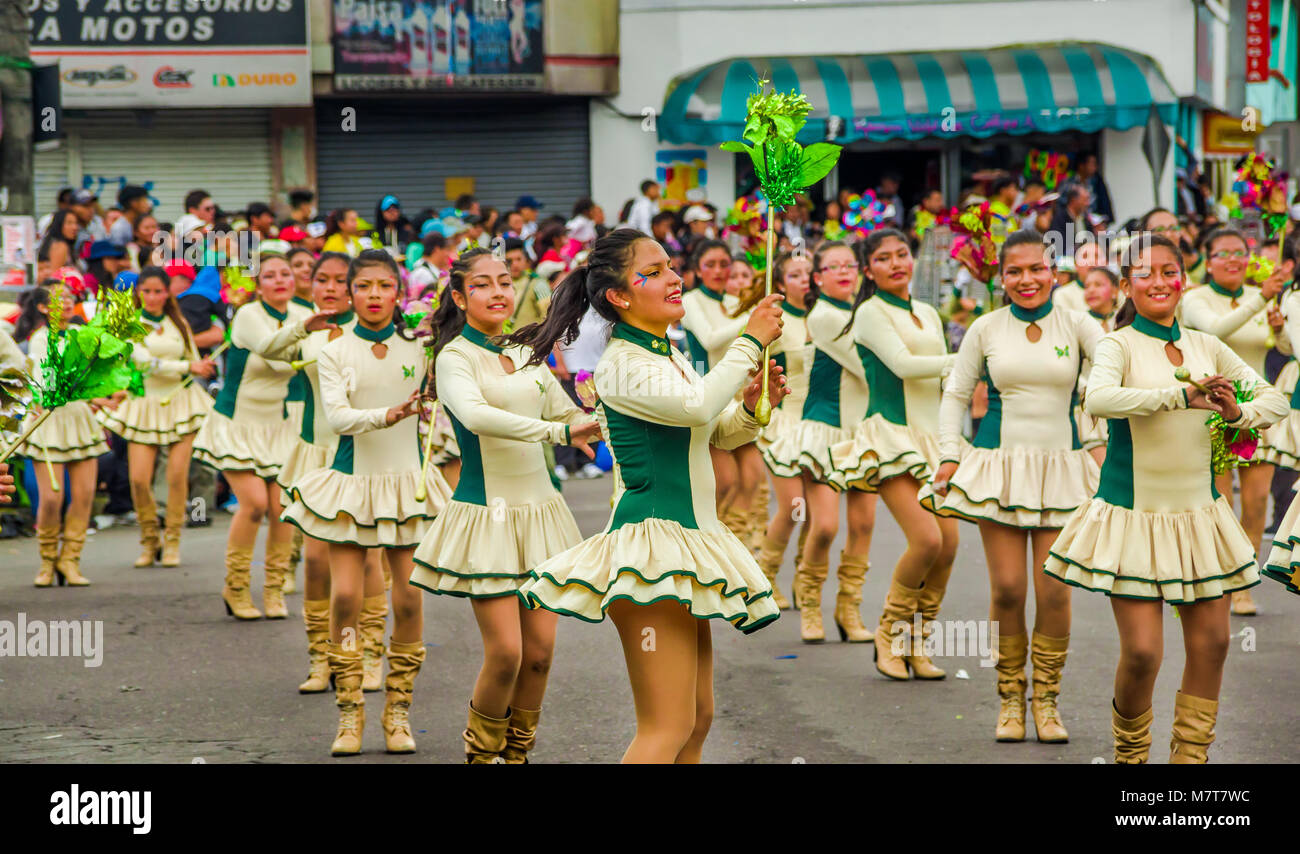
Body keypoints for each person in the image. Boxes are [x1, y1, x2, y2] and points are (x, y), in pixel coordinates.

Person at [514, 228, 786, 763]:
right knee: (666, 726)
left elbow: (710, 431)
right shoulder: (625, 364)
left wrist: (755, 404)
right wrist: (749, 341)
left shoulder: (667, 356)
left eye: (670, 266)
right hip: (650, 551)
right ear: (619, 295)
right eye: (655, 271)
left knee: (696, 719)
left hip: (685, 543)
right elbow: (695, 409)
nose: (674, 278)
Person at [1044, 234, 1286, 763]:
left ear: (1183, 280)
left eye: (1169, 271)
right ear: (1127, 286)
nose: (1159, 282)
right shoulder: (1118, 344)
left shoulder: (1208, 346)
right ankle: (1131, 757)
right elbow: (1099, 398)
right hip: (1133, 517)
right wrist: (1180, 396)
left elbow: (1276, 400)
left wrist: (1233, 411)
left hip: (1200, 517)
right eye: (1145, 274)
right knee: (1142, 652)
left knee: (1214, 644)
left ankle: (1187, 768)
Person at [409, 248, 598, 763]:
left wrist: (606, 406)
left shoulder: (527, 351)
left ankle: (517, 757)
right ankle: (481, 756)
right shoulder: (452, 358)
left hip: (542, 515)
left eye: (505, 282)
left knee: (538, 656)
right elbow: (476, 416)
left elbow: (571, 411)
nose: (497, 292)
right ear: (459, 296)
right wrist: (560, 431)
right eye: (483, 284)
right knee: (507, 653)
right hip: (487, 517)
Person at [929, 231, 1102, 743]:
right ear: (1001, 277)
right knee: (1007, 589)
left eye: (1036, 269)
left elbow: (1113, 379)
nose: (1027, 280)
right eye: (1015, 271)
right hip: (998, 469)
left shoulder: (1078, 324)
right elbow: (955, 393)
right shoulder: (986, 328)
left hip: (1062, 471)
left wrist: (1101, 441)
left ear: (1054, 272)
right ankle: (1010, 699)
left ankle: (1046, 700)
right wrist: (947, 455)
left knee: (1053, 591)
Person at [282, 249, 450, 756]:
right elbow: (337, 418)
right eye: (364, 287)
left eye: (384, 286)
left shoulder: (421, 347)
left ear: (398, 293)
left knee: (409, 597)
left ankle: (398, 713)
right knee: (346, 598)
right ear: (350, 294)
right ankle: (349, 712)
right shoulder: (334, 348)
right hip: (352, 486)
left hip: (406, 484)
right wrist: (389, 414)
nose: (374, 296)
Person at [829, 228, 959, 680]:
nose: (896, 263)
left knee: (949, 546)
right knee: (927, 539)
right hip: (889, 437)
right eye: (883, 258)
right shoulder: (869, 312)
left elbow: (944, 383)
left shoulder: (927, 311)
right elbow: (903, 365)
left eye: (903, 254)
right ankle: (888, 636)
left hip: (932, 439)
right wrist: (965, 360)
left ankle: (916, 645)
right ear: (869, 270)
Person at [261, 252, 386, 694]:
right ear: (308, 285)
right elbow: (266, 349)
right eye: (321, 280)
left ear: (353, 288)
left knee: (367, 559)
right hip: (314, 458)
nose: (330, 288)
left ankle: (369, 653)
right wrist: (303, 326)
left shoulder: (369, 334)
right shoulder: (306, 333)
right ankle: (322, 657)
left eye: (339, 281)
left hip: (359, 457)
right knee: (315, 560)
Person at [192, 254, 312, 620]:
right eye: (270, 275)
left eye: (286, 273)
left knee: (281, 509)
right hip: (237, 422)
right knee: (255, 504)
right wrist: (310, 329)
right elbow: (271, 348)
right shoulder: (247, 316)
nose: (280, 280)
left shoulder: (304, 312)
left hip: (280, 426)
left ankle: (274, 590)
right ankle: (237, 586)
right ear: (257, 286)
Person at [1180, 226, 1290, 616]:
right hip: (1213, 409)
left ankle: (1244, 585)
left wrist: (1279, 330)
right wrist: (1260, 298)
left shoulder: (1262, 299)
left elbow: (1279, 350)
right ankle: (1220, 581)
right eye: (1222, 253)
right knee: (1222, 503)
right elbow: (1215, 333)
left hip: (1255, 412)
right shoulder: (1195, 299)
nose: (1232, 259)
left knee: (1257, 503)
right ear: (1207, 262)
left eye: (1239, 252)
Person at [95, 266, 214, 568]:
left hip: (181, 403)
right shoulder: (131, 324)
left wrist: (201, 366)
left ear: (168, 292)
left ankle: (173, 540)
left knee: (176, 476)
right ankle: (150, 541)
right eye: (146, 291)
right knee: (138, 480)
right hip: (144, 403)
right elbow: (144, 364)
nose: (152, 297)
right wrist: (190, 368)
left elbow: (194, 360)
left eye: (158, 290)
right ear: (138, 293)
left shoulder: (179, 321)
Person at [14, 286, 109, 587]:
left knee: (83, 496)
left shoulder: (84, 335)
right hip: (49, 417)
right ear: (43, 308)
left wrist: (102, 393)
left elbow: (93, 375)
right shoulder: (41, 338)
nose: (66, 303)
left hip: (79, 418)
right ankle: (46, 562)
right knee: (52, 498)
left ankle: (70, 561)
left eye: (70, 298)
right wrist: (42, 397)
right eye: (58, 300)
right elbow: (43, 374)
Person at [36, 210, 81, 280]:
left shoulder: (56, 244)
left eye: (76, 223)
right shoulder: (60, 246)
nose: (75, 227)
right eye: (69, 223)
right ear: (59, 225)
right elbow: (54, 276)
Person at [1076, 153, 1114, 224]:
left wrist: (1105, 221)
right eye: (1091, 165)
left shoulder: (1097, 182)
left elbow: (1105, 203)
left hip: (1096, 224)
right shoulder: (1070, 184)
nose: (1094, 168)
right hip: (1076, 223)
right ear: (1081, 166)